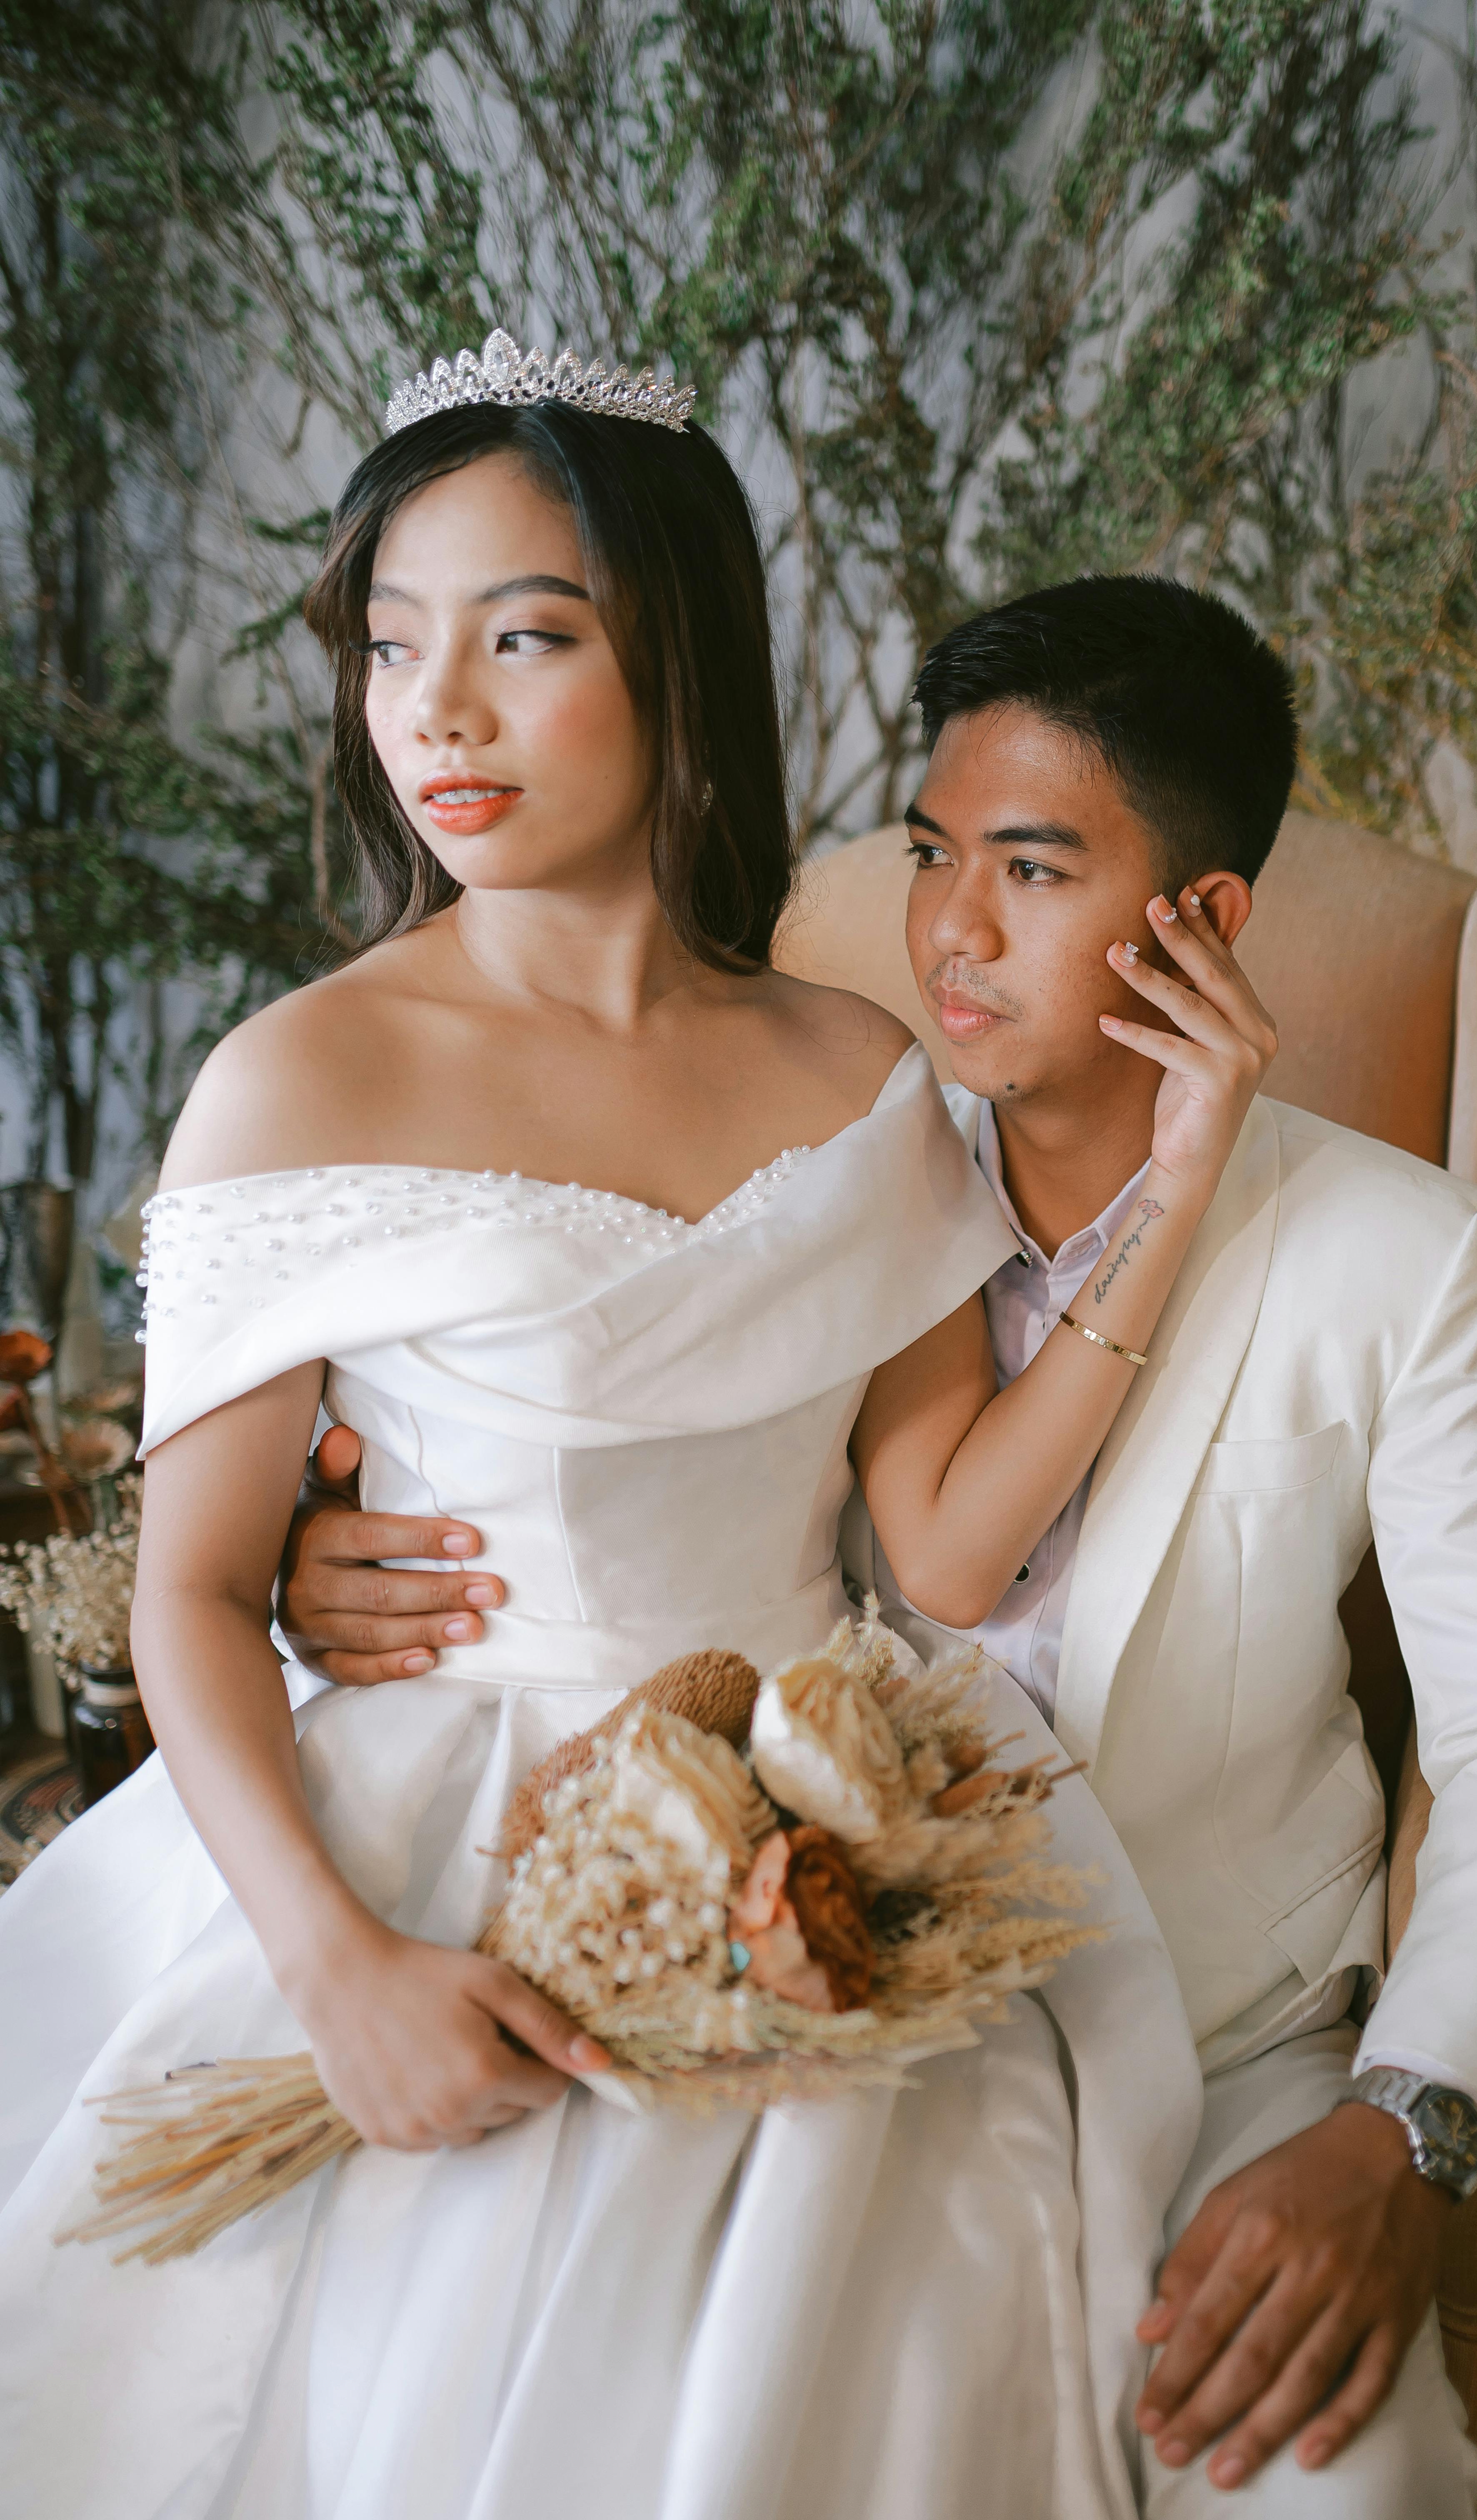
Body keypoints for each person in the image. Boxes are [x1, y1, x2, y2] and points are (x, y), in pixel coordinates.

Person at [0, 346, 1282, 2520]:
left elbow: (946, 1550)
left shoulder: (860, 1074)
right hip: (411, 1855)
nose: (442, 714)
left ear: (673, 653)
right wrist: (342, 1973)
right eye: (393, 646)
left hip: (787, 1859)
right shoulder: (301, 1081)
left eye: (524, 638)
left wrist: (1175, 1184)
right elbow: (201, 1593)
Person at [288, 572, 1477, 2516]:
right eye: (935, 853)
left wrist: (1401, 2136)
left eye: (1032, 869)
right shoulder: (824, 1166)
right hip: (818, 2030)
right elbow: (568, 1439)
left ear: (1203, 921)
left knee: (1337, 2494)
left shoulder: (1388, 1257)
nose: (947, 927)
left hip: (1219, 2035)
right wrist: (322, 1538)